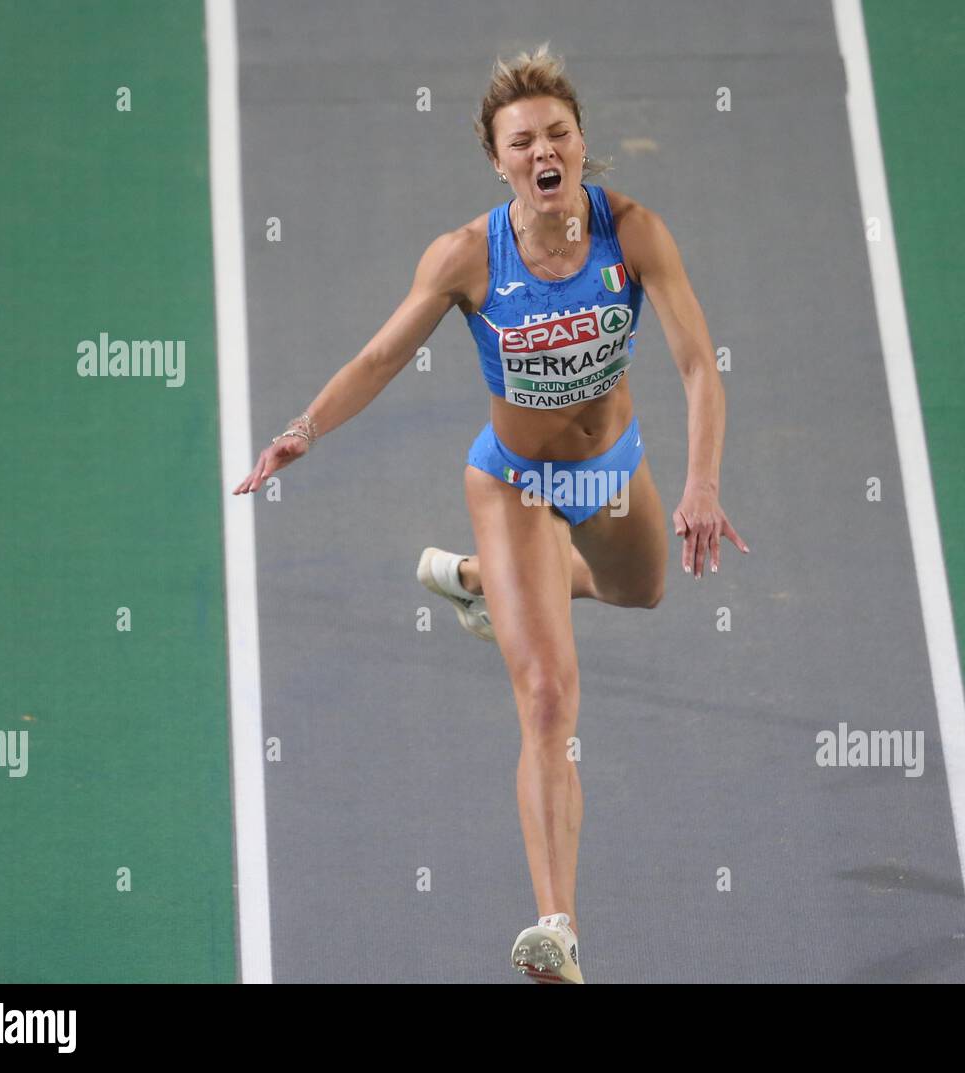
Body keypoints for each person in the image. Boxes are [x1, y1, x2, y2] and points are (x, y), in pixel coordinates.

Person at [234, 42, 748, 984]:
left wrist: (702, 481)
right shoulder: (469, 256)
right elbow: (382, 355)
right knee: (549, 700)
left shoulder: (632, 234)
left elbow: (697, 366)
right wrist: (303, 429)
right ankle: (557, 927)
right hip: (513, 484)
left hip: (608, 473)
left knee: (643, 591)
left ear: (583, 142)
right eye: (524, 141)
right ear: (498, 159)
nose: (544, 149)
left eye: (559, 132)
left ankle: (482, 585)